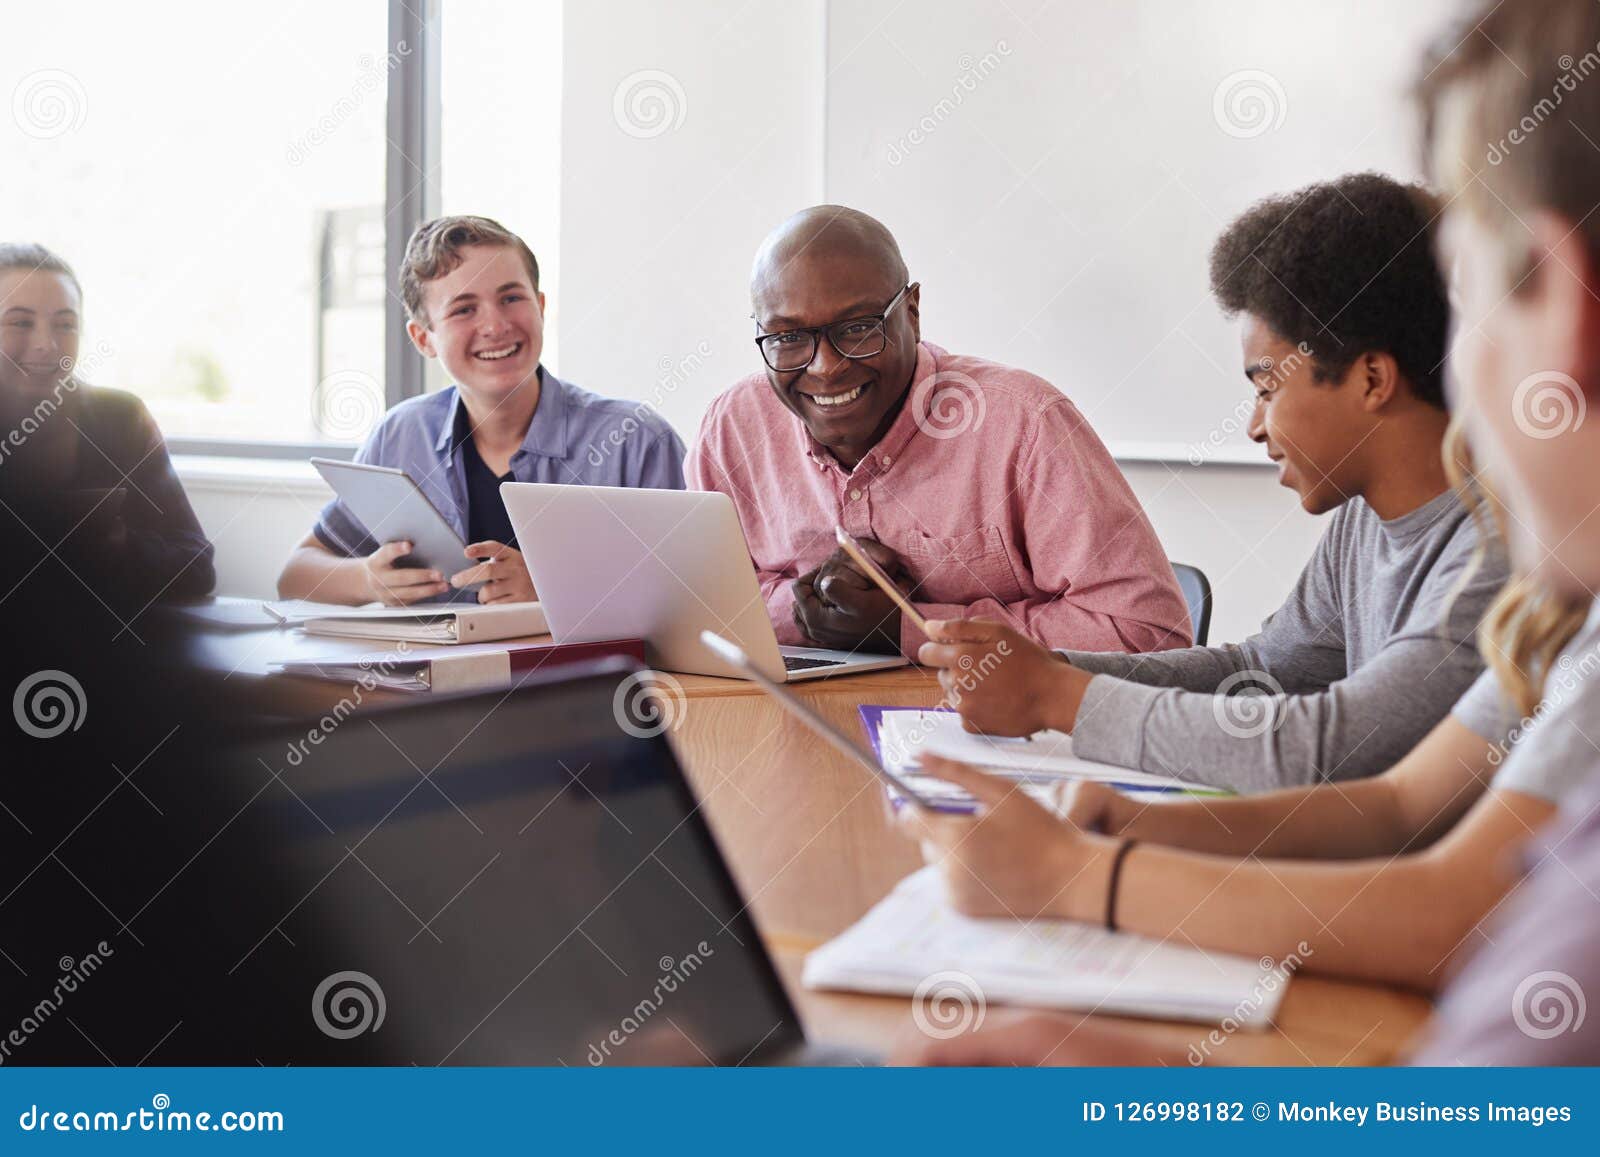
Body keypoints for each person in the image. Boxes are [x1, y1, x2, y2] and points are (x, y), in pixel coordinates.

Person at [897, 0, 1600, 1066]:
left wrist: (1081, 854)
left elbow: (1419, 859)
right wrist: (1123, 815)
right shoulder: (1534, 602)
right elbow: (1378, 781)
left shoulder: (1509, 562)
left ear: (1562, 313)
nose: (1465, 365)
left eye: (1479, 297)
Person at [919, 174, 1507, 792]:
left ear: (1370, 380)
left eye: (1267, 389)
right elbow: (1260, 669)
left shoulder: (1497, 552)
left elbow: (1335, 743)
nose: (1255, 426)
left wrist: (1056, 696)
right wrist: (1052, 668)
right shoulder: (1364, 520)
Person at [686, 205, 1192, 657]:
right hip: (793, 727)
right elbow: (693, 607)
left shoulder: (1024, 425)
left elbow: (1147, 633)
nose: (826, 368)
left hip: (992, 740)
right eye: (789, 337)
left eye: (858, 328)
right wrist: (810, 614)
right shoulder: (732, 429)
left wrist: (913, 628)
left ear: (911, 312)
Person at [277, 215, 686, 607]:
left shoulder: (637, 440)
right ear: (424, 339)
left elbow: (694, 597)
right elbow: (294, 576)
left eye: (511, 298)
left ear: (541, 306)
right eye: (463, 309)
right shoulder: (401, 435)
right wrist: (367, 579)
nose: (495, 325)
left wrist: (555, 589)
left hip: (598, 680)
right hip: (436, 678)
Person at [0, 242, 215, 609]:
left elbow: (197, 565)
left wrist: (117, 547)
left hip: (103, 648)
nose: (47, 345)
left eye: (65, 324)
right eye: (21, 322)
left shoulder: (121, 417)